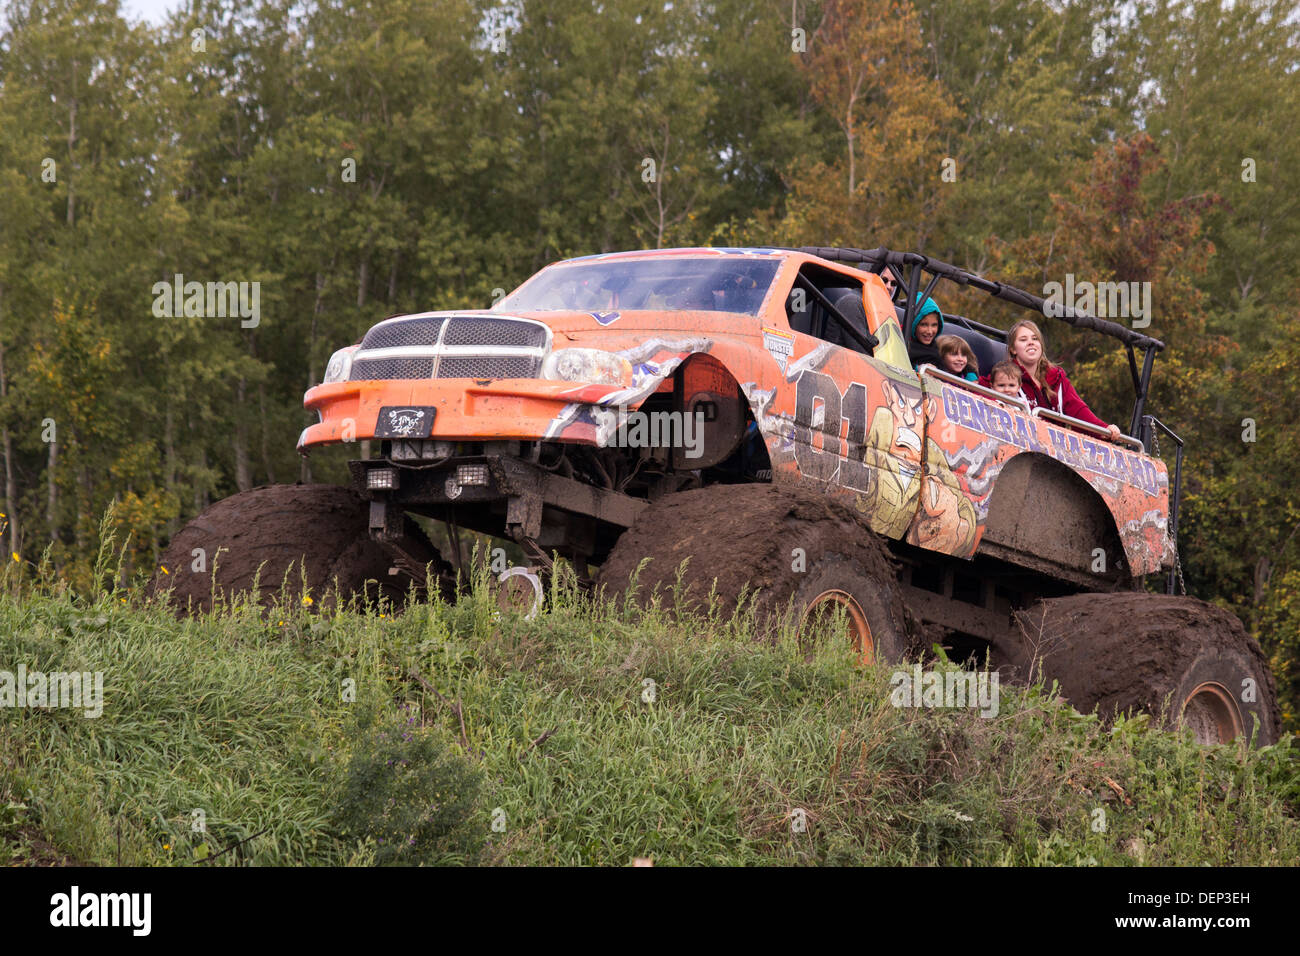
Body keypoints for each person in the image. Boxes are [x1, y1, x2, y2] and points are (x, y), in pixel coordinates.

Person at [980, 319, 1123, 440]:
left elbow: (1078, 410)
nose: (1030, 343)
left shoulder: (1057, 377)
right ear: (1013, 349)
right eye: (1023, 340)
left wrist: (1104, 429)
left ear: (1041, 345)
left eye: (1034, 339)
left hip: (1053, 448)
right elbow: (978, 390)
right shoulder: (1005, 377)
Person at [906, 296, 944, 369]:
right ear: (914, 324)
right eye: (924, 325)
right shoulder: (903, 345)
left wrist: (969, 373)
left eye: (934, 325)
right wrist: (918, 368)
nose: (929, 331)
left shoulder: (938, 348)